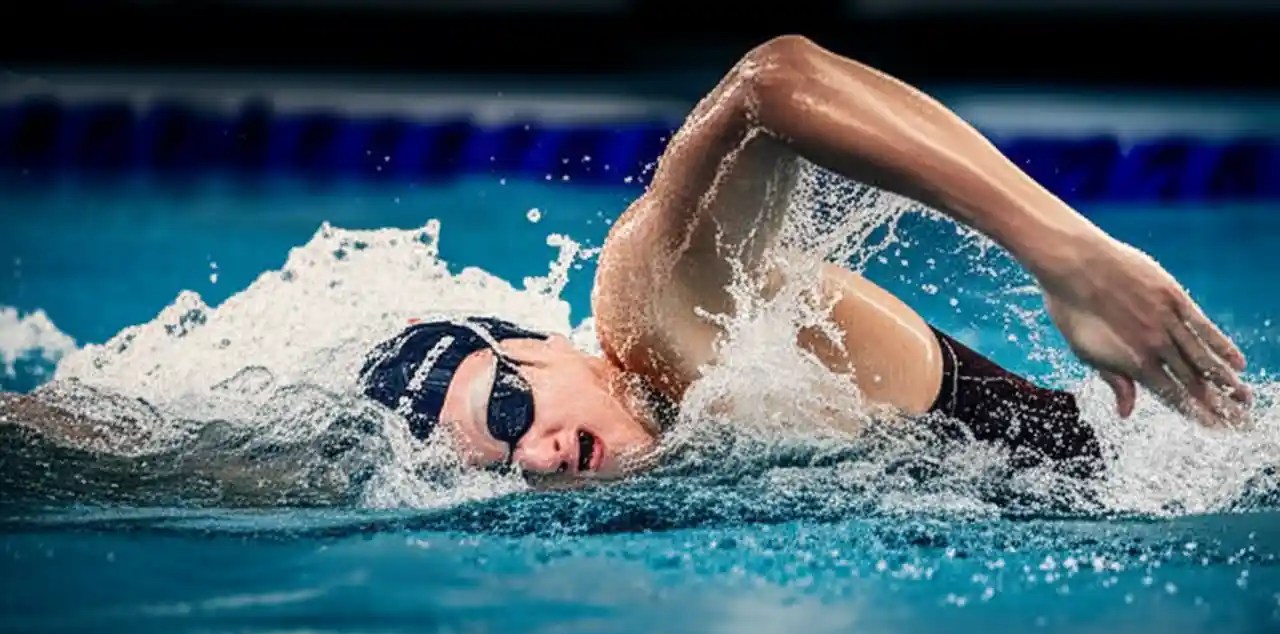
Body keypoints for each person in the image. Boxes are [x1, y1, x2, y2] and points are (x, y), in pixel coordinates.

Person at [357, 34, 1253, 486]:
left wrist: (1067, 257)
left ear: (551, 347)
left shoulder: (651, 309)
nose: (537, 461)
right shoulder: (682, 445)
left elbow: (773, 81)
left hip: (1198, 471)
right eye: (499, 466)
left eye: (511, 407)